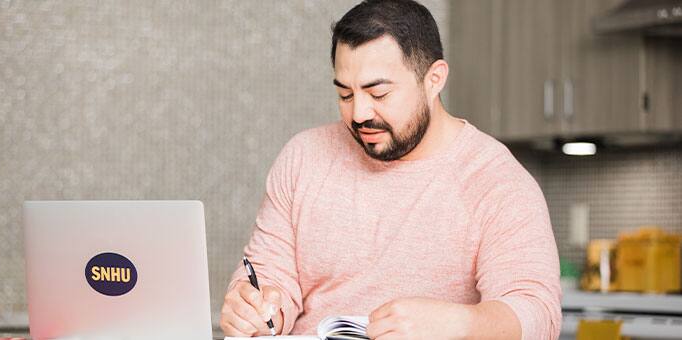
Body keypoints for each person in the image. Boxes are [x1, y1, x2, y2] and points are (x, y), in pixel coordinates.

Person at [219, 0, 562, 339]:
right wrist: (254, 308)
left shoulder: (497, 181)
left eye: (378, 93)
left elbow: (538, 315)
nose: (358, 114)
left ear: (434, 79)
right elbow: (269, 277)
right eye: (345, 94)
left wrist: (459, 324)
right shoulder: (303, 157)